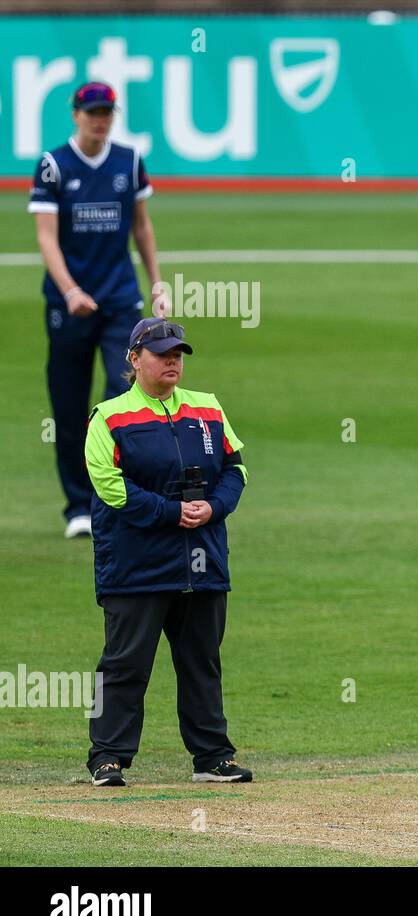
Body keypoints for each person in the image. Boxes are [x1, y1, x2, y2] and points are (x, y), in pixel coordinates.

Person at [83, 318, 251, 787]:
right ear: (135, 360)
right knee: (123, 663)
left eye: (178, 353)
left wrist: (213, 506)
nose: (173, 360)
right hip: (136, 565)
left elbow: (236, 470)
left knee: (202, 662)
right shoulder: (109, 416)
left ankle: (213, 757)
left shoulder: (207, 408)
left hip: (202, 561)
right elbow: (110, 488)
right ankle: (107, 757)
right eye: (162, 353)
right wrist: (171, 511)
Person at [29, 81, 169, 539]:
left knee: (120, 393)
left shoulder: (128, 162)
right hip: (68, 306)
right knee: (68, 408)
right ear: (75, 114)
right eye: (92, 111)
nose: (100, 118)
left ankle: (116, 496)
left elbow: (142, 229)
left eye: (107, 110)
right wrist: (69, 290)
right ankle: (77, 508)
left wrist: (158, 283)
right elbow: (46, 236)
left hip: (120, 301)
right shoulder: (53, 166)